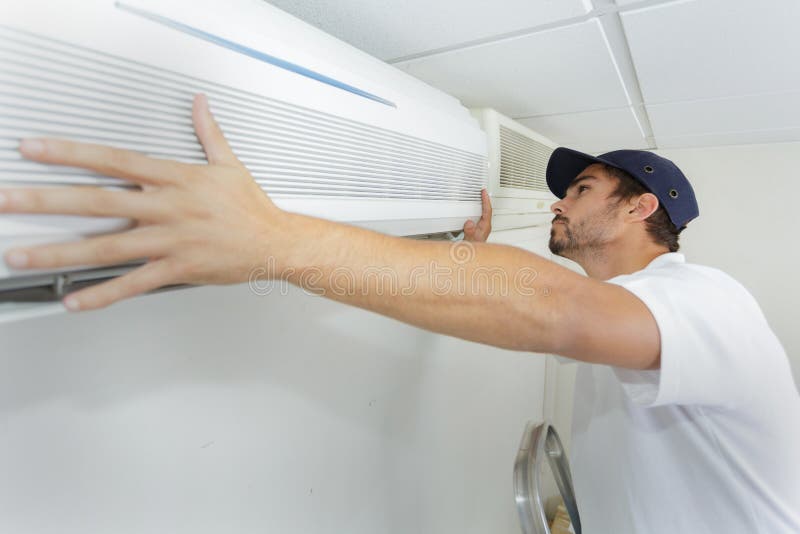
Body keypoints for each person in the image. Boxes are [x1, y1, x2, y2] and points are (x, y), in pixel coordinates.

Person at [1, 95, 798, 532]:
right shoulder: (629, 309)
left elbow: (554, 311)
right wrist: (460, 260)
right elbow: (537, 311)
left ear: (641, 207)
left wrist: (271, 239)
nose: (560, 198)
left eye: (582, 189)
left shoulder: (710, 301)